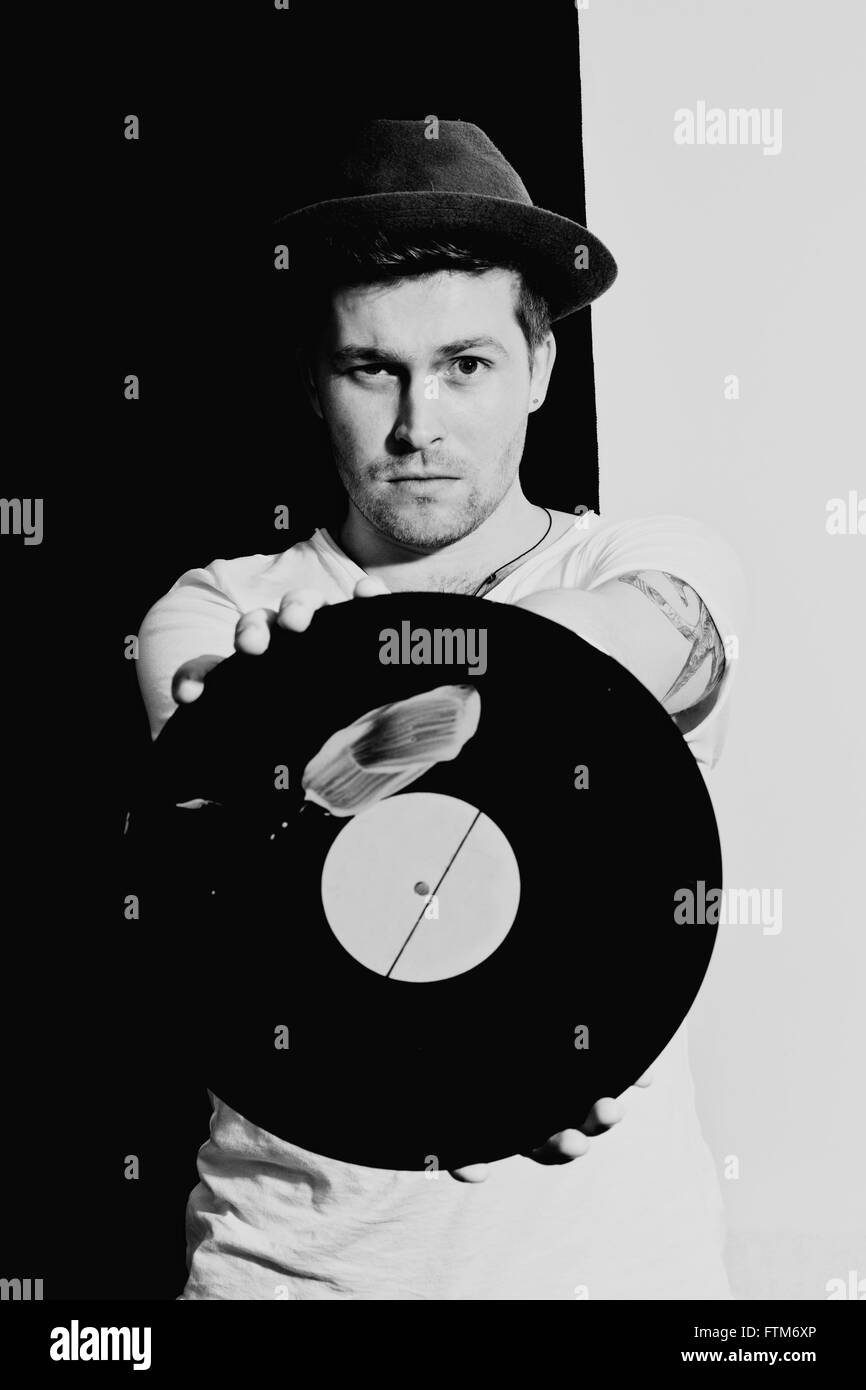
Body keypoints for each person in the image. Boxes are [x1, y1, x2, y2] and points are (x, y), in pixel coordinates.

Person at [137, 120, 747, 1300]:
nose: (419, 425)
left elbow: (648, 640)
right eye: (373, 368)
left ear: (538, 371)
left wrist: (348, 714)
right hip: (294, 1277)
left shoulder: (651, 559)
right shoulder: (219, 611)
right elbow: (238, 877)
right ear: (314, 384)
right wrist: (256, 740)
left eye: (465, 363)